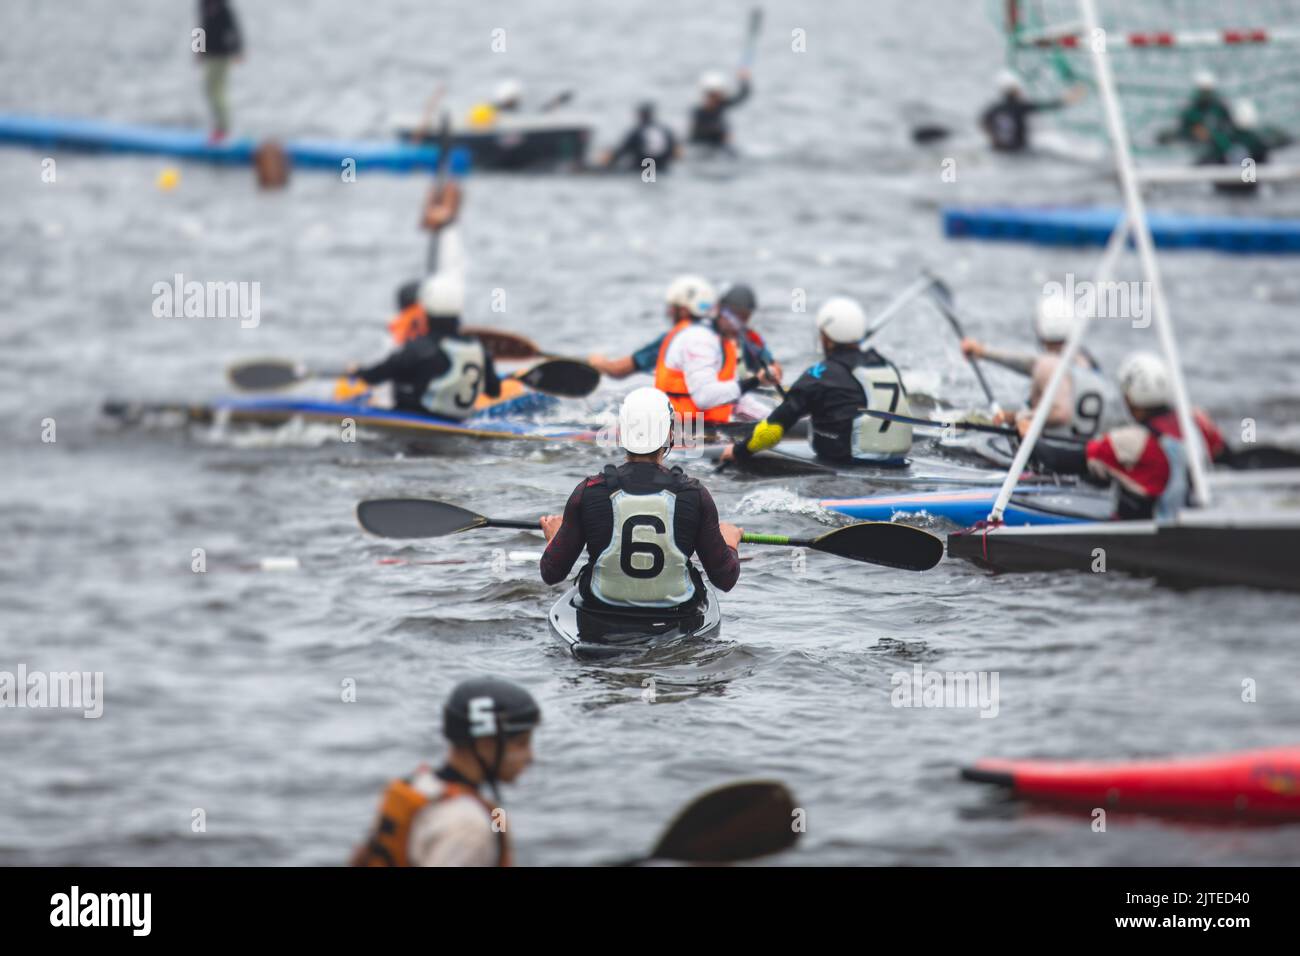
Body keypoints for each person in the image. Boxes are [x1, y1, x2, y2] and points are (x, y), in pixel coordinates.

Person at [540, 387, 742, 610]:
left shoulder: (589, 491)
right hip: (677, 617)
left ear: (621, 433)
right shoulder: (694, 495)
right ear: (669, 434)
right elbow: (725, 579)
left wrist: (554, 538)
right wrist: (730, 544)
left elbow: (552, 573)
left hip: (602, 615)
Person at [351, 678, 540, 867]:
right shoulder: (468, 828)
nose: (530, 756)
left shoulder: (419, 786)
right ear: (484, 744)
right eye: (522, 743)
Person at [1025, 353, 1227, 520]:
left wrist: (1028, 434)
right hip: (1195, 514)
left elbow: (1056, 459)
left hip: (1148, 532)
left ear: (1130, 398)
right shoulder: (1197, 422)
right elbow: (1226, 455)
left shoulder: (1130, 440)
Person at [720, 296, 913, 466]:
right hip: (894, 461)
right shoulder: (885, 364)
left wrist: (738, 451)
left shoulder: (819, 375)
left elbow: (771, 431)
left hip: (849, 465)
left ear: (827, 338)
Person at [961, 292, 1124, 440]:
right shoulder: (1086, 362)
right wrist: (983, 352)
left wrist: (1019, 417)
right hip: (1083, 450)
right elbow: (1032, 364)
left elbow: (1061, 414)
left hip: (1052, 454)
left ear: (1039, 328)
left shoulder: (1046, 365)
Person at [351, 272, 501, 419]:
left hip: (417, 427)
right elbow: (494, 391)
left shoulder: (418, 350)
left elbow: (375, 376)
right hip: (460, 424)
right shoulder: (480, 349)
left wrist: (358, 371)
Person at [588, 278, 780, 384]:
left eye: (674, 308)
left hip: (699, 418)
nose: (670, 313)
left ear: (684, 309)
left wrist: (599, 362)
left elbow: (619, 371)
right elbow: (775, 369)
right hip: (725, 410)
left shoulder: (677, 337)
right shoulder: (746, 337)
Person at [652, 275, 775, 424]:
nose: (740, 323)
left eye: (745, 318)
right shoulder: (699, 339)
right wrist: (755, 381)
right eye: (737, 316)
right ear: (719, 311)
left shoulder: (726, 343)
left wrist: (779, 419)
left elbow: (736, 400)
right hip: (678, 429)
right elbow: (704, 397)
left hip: (707, 430)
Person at [979, 70, 1083, 153]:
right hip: (1018, 151)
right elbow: (1050, 105)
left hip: (998, 149)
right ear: (1016, 91)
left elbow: (983, 122)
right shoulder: (1021, 106)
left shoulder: (993, 109)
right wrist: (1072, 97)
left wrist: (993, 137)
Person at [197, 0, 243, 143]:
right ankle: (218, 128)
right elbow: (200, 27)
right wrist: (198, 50)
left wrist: (237, 50)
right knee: (209, 89)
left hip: (222, 54)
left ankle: (224, 128)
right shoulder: (203, 3)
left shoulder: (222, 5)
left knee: (217, 91)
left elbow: (234, 28)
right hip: (209, 54)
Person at [717, 282, 781, 381]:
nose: (740, 321)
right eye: (737, 314)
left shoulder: (750, 338)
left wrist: (771, 372)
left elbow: (773, 365)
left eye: (745, 316)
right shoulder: (705, 336)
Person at [1159, 71, 1233, 151]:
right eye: (1203, 90)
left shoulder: (1220, 108)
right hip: (1193, 140)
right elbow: (1183, 128)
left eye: (1207, 90)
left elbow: (1228, 128)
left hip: (1214, 141)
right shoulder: (1191, 109)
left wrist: (1212, 134)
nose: (1205, 94)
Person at [602, 102, 679, 173]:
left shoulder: (637, 132)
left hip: (642, 168)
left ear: (640, 116)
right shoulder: (665, 130)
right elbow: (676, 153)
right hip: (663, 167)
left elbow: (622, 150)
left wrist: (607, 163)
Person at [689, 69, 751, 148]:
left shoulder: (721, 105)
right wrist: (722, 134)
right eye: (718, 93)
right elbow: (700, 132)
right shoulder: (698, 112)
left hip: (718, 145)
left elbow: (741, 96)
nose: (722, 95)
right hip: (702, 146)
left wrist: (744, 81)